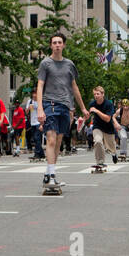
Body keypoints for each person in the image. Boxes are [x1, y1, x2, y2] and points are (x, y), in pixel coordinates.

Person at [35, 31, 90, 193]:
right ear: (51, 45)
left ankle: (48, 171)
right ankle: (52, 175)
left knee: (58, 142)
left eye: (60, 42)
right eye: (54, 43)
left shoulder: (69, 65)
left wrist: (83, 107)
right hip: (49, 104)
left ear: (64, 45)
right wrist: (39, 108)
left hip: (66, 106)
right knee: (51, 140)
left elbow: (74, 86)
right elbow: (39, 85)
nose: (57, 45)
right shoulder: (46, 64)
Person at [87, 86, 118, 166]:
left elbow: (107, 119)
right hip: (97, 126)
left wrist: (97, 111)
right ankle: (100, 161)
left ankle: (114, 154)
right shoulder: (92, 104)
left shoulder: (109, 104)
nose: (96, 96)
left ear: (103, 94)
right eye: (94, 94)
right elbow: (88, 115)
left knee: (111, 148)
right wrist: (83, 118)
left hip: (108, 127)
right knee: (97, 141)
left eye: (98, 94)